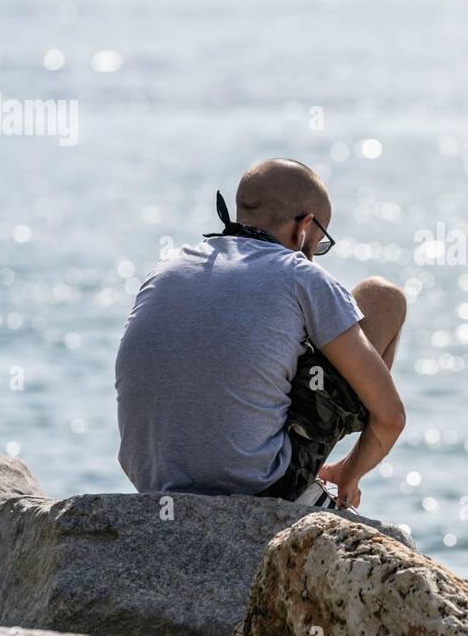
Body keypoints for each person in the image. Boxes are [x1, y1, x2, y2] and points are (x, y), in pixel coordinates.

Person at [115, 158, 406, 511]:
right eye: (320, 242)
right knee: (384, 298)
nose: (315, 255)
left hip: (152, 482)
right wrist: (349, 472)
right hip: (261, 487)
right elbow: (391, 417)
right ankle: (314, 490)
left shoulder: (168, 266)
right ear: (304, 227)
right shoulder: (300, 274)